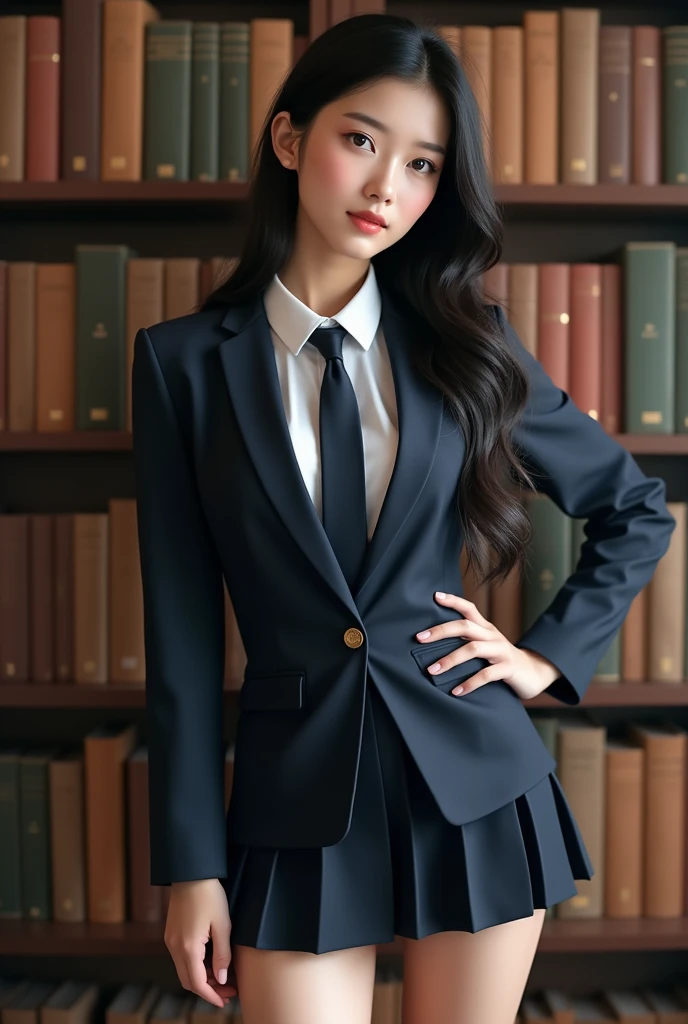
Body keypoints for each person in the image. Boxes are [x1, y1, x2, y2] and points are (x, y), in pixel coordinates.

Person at [131, 13, 676, 1024]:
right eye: (361, 140)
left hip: (471, 783)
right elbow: (181, 638)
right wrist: (190, 868)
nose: (387, 187)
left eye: (423, 164)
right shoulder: (182, 367)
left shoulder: (470, 348)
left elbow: (633, 507)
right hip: (294, 808)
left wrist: (543, 659)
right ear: (291, 140)